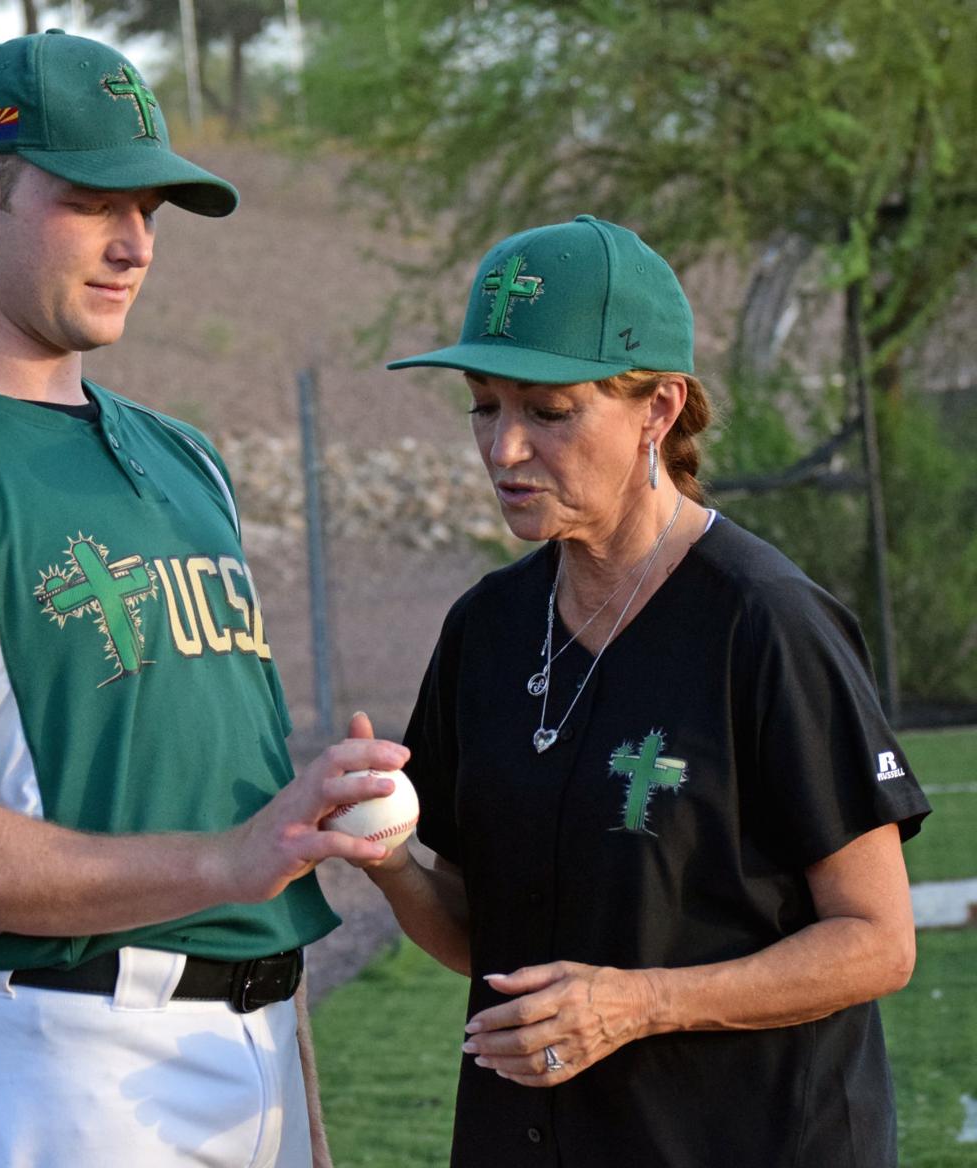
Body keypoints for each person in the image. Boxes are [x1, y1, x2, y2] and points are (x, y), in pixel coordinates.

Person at [0, 30, 408, 1168]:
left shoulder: (188, 460)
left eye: (153, 210)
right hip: (60, 1061)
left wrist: (287, 840)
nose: (135, 244)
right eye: (93, 202)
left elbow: (222, 813)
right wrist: (226, 860)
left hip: (259, 1039)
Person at [368, 214, 931, 1166]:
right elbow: (483, 939)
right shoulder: (487, 630)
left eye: (548, 412)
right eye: (483, 405)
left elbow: (878, 941)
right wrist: (387, 861)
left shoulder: (766, 621)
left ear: (659, 411)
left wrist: (638, 1004)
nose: (503, 450)